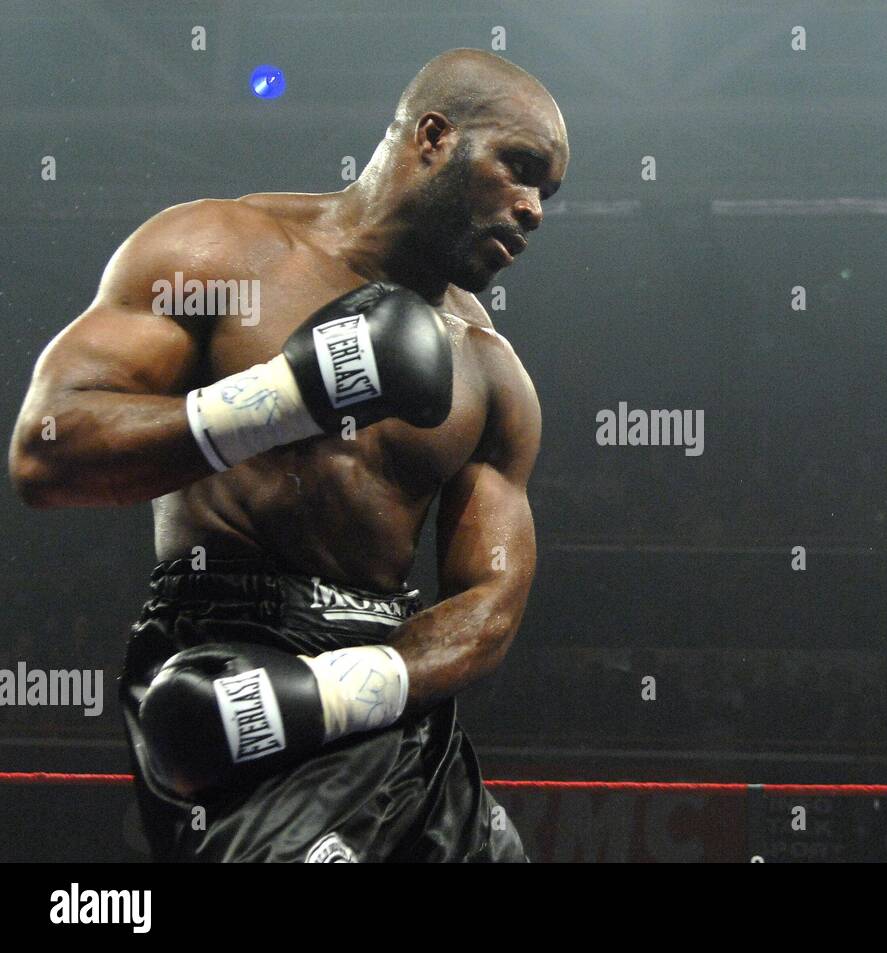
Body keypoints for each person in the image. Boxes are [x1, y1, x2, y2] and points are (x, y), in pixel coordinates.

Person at [8, 48, 569, 862]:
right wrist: (287, 397)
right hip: (232, 655)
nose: (533, 209)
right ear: (435, 137)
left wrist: (335, 694)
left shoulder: (492, 370)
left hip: (392, 695)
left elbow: (491, 603)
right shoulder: (219, 251)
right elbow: (47, 453)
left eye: (547, 193)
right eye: (519, 169)